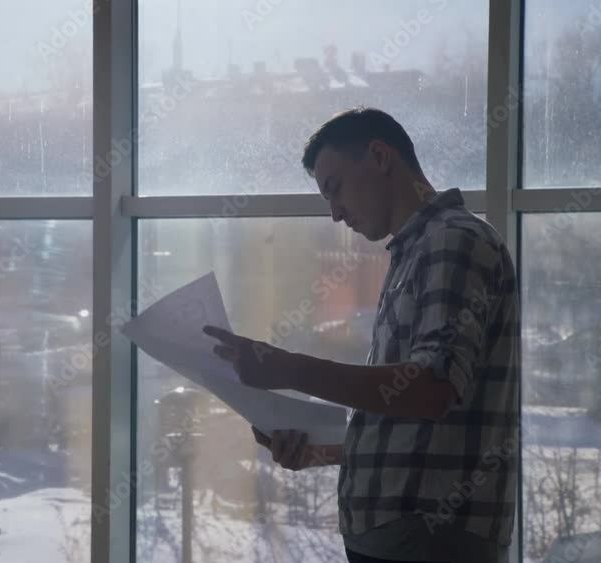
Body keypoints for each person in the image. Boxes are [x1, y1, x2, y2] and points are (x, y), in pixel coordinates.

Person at [204, 107, 518, 563]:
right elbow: (413, 425)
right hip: (409, 536)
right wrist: (317, 451)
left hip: (429, 537)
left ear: (379, 155)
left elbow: (432, 389)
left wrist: (287, 368)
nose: (334, 213)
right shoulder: (416, 252)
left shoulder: (454, 242)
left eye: (335, 189)